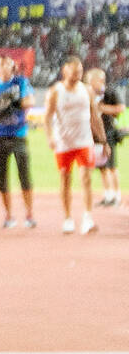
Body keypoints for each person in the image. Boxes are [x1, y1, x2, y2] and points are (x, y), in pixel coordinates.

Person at [44, 55, 106, 234]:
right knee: (65, 178)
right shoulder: (55, 91)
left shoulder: (87, 90)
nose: (78, 73)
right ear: (65, 70)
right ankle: (67, 217)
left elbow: (95, 116)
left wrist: (102, 140)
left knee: (86, 178)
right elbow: (47, 117)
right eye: (74, 70)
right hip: (64, 142)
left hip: (84, 141)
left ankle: (87, 217)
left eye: (80, 70)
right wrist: (50, 137)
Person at [0, 55, 35, 229]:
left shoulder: (20, 82)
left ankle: (29, 214)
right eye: (0, 65)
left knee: (24, 176)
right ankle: (8, 215)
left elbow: (30, 100)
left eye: (7, 64)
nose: (4, 67)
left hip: (18, 134)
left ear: (12, 66)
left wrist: (9, 102)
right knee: (2, 178)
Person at [87, 67, 123, 207]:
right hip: (95, 134)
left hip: (109, 132)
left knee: (112, 166)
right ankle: (107, 194)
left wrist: (102, 109)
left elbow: (120, 108)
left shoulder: (110, 92)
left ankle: (117, 195)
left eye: (91, 80)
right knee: (102, 166)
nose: (89, 83)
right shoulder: (90, 94)